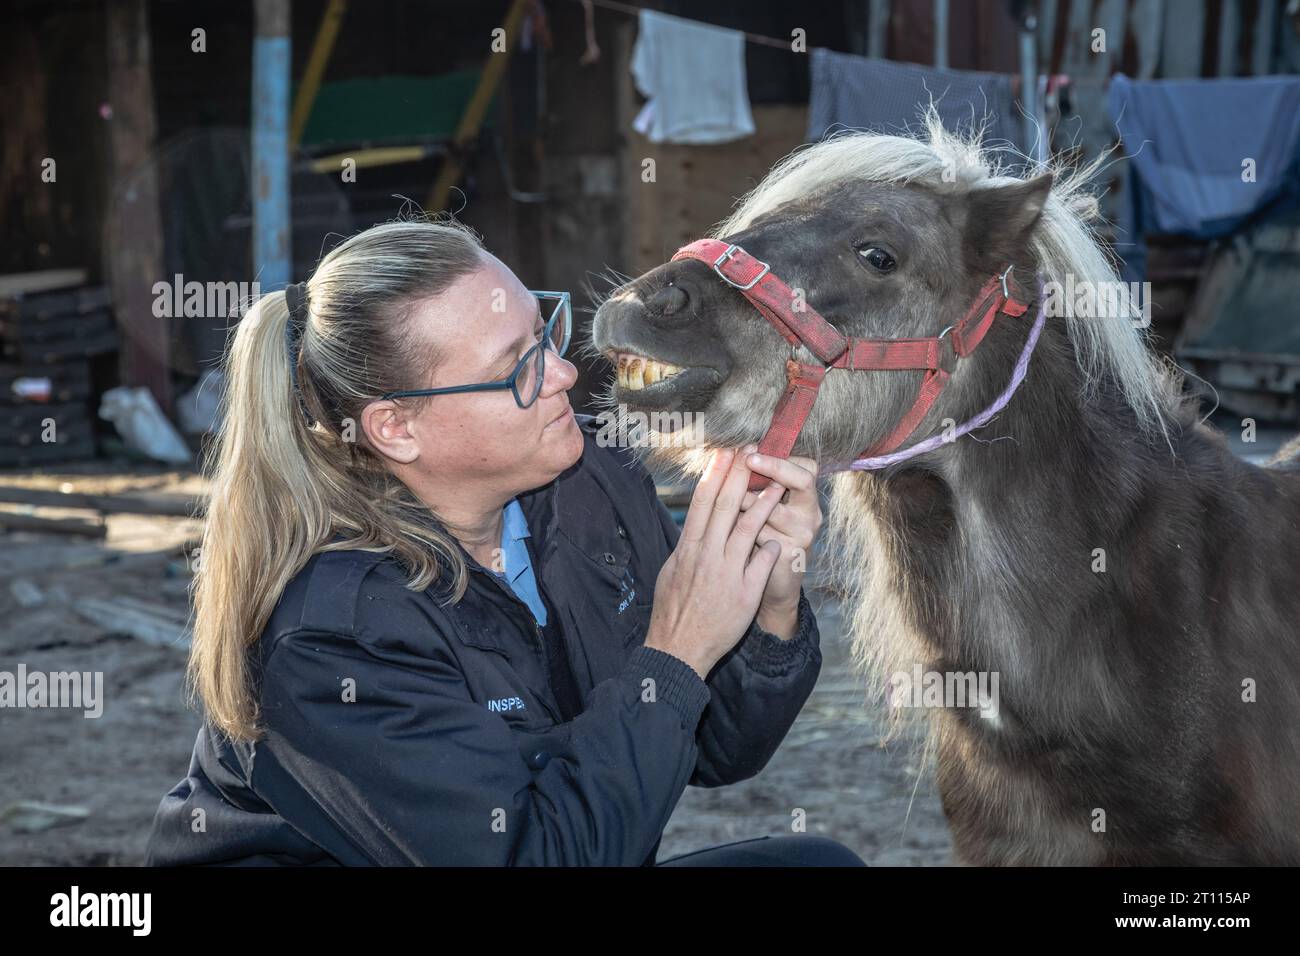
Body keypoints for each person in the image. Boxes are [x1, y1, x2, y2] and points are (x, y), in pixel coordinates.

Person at [144, 218, 863, 867]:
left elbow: (715, 748)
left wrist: (770, 607)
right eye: (516, 368)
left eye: (544, 334)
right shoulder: (333, 635)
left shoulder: (590, 486)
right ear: (397, 427)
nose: (566, 374)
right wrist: (675, 651)